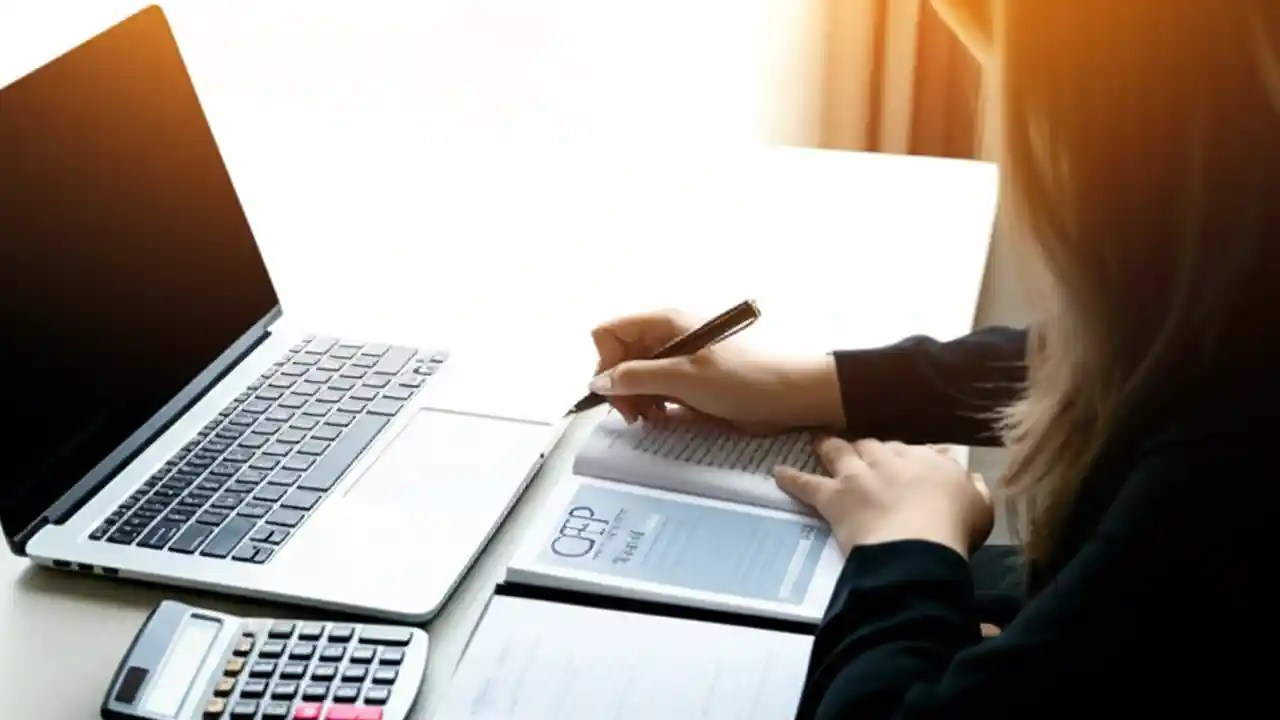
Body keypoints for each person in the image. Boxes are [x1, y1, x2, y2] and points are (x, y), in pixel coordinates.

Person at [583, 0, 1273, 715]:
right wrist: (817, 384)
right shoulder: (1236, 317)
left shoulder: (1222, 477)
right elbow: (1154, 358)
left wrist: (908, 542)